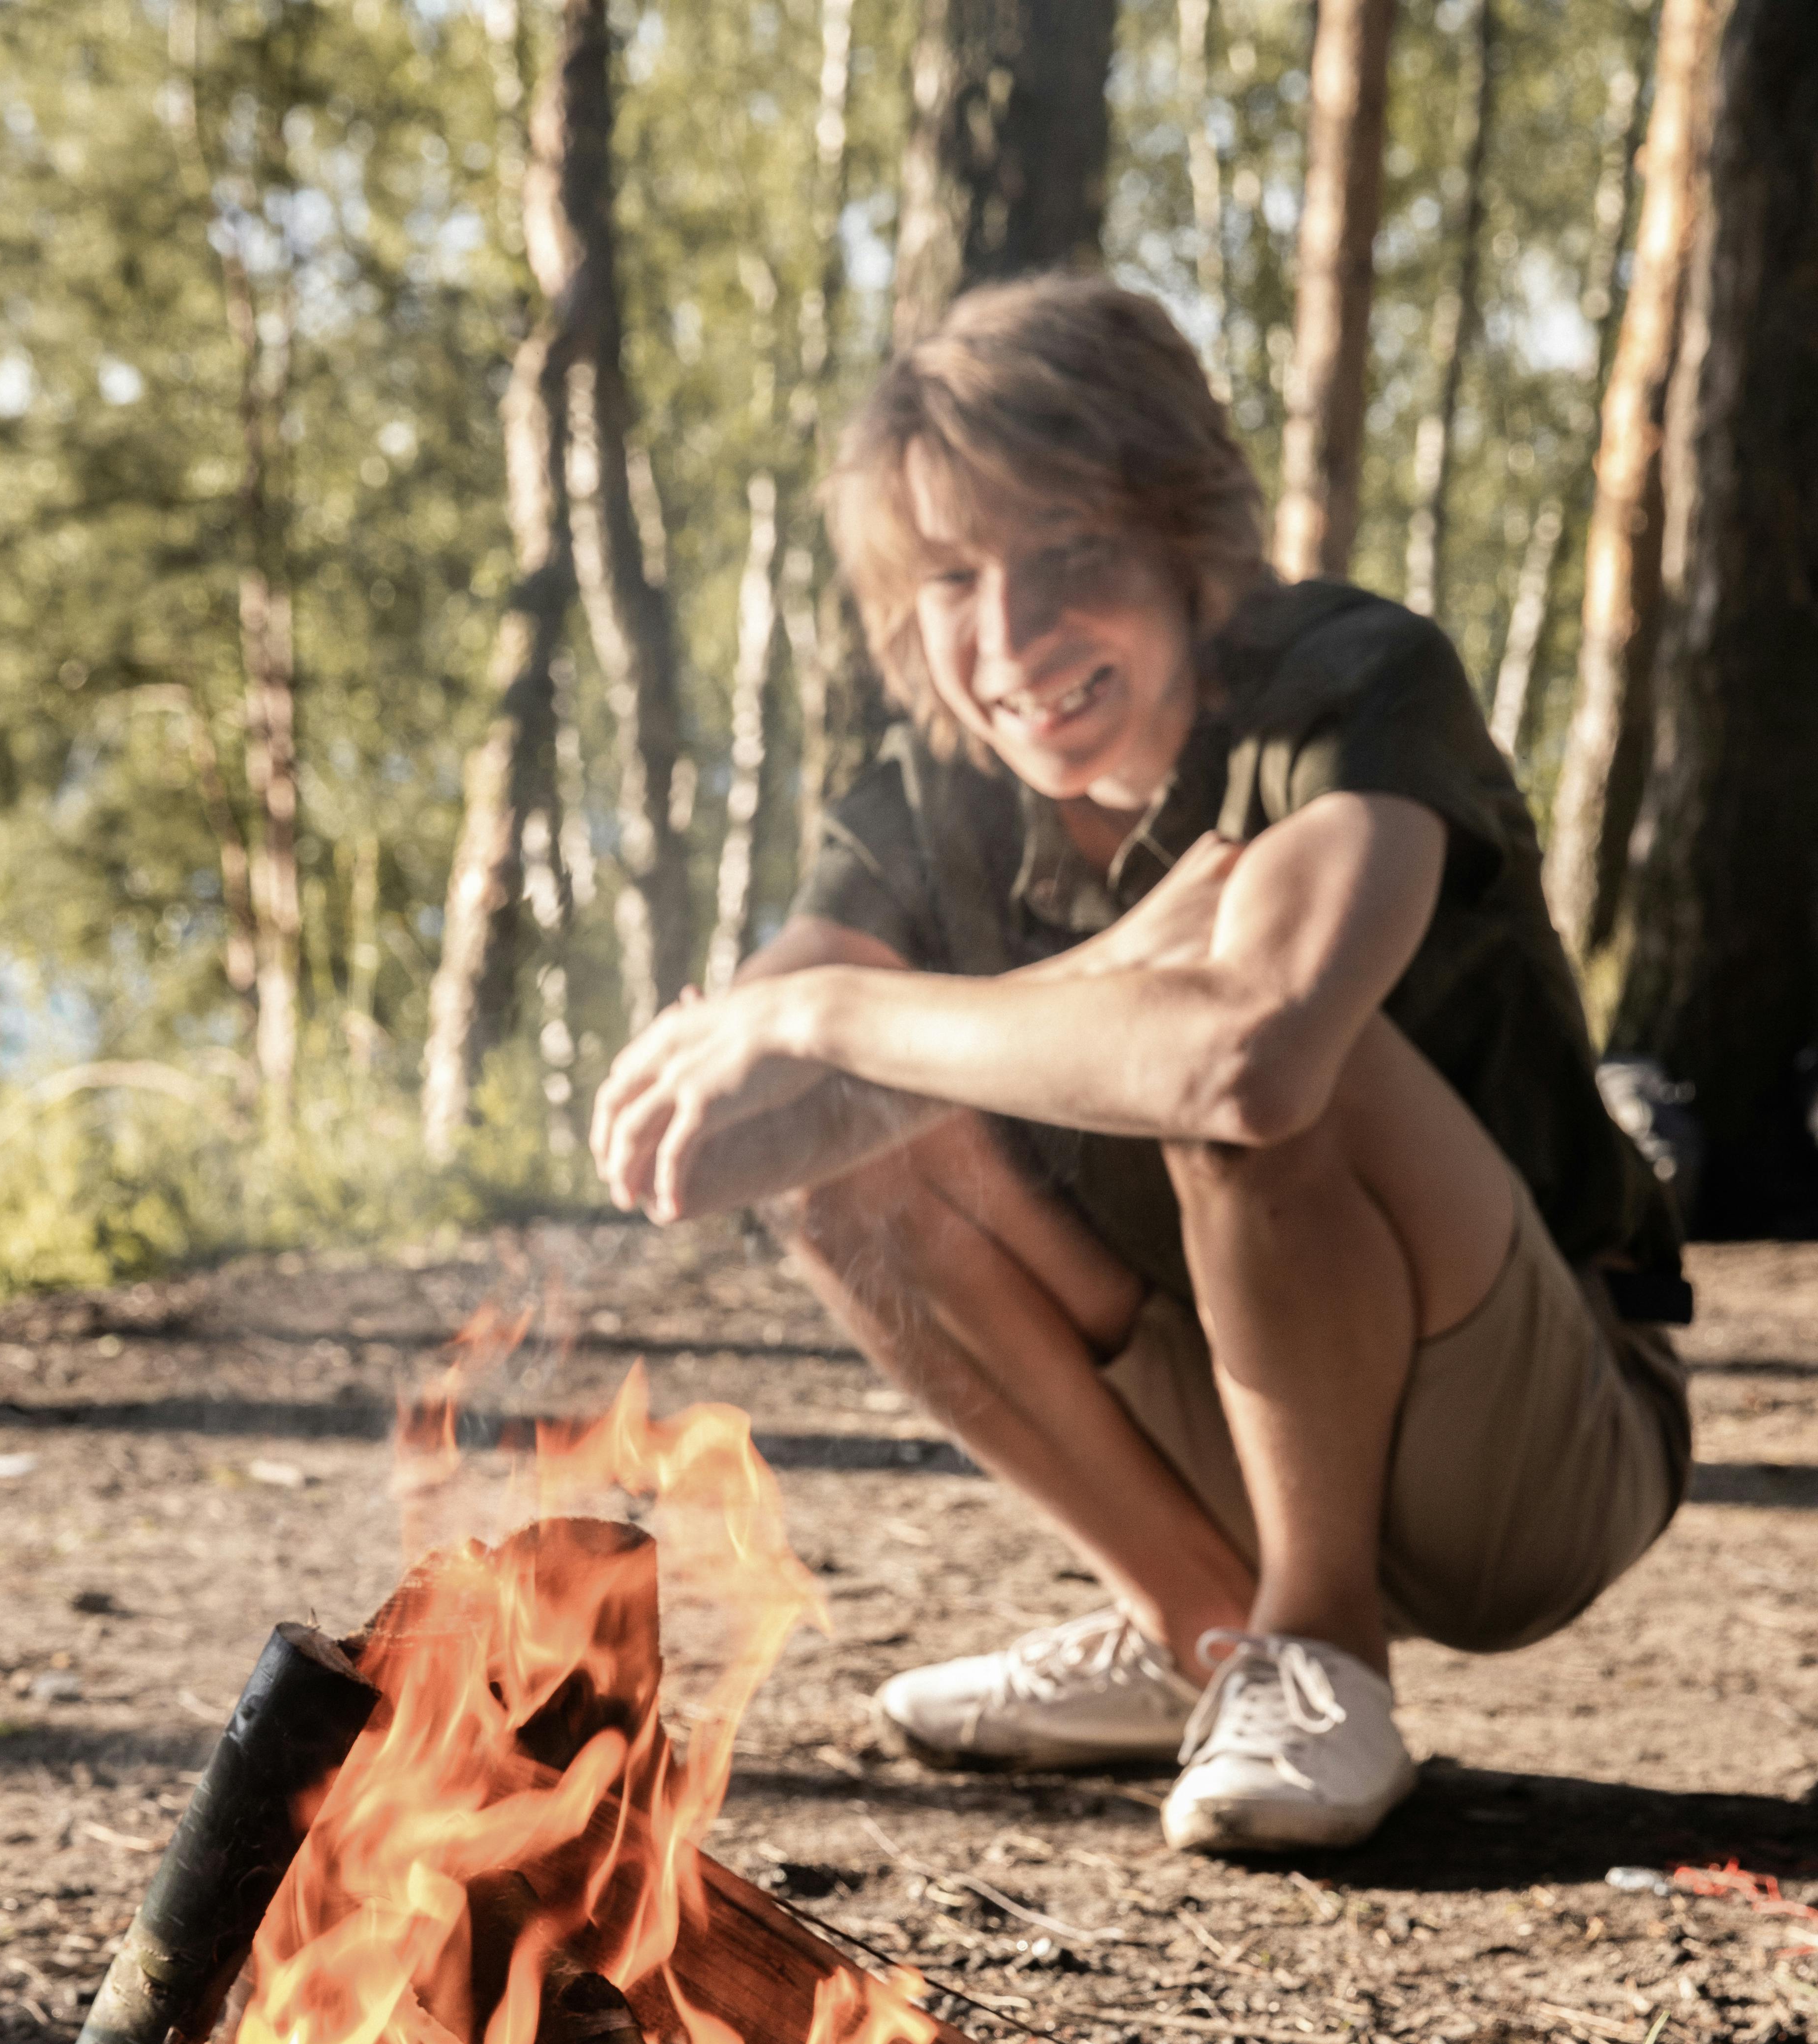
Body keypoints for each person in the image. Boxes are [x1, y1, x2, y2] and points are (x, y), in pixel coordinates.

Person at [589, 274, 1690, 1854]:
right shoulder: (935, 794)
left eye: (1070, 558)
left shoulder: (1354, 683)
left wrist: (832, 1019)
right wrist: (1094, 974)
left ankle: (1319, 1656)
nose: (1011, 639)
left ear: (1187, 543)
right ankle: (1206, 1634)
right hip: (1241, 1404)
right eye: (955, 579)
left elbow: (1249, 1062)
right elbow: (708, 1150)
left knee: (1252, 1059)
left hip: (1540, 1439)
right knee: (863, 1168)